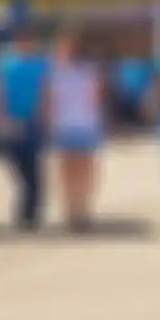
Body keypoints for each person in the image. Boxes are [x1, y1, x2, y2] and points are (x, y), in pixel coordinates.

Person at [0, 27, 51, 230]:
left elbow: (47, 92)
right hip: (11, 120)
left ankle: (29, 212)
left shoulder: (44, 64)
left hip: (33, 121)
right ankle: (28, 206)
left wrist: (45, 119)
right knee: (16, 166)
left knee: (33, 167)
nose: (26, 44)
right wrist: (0, 118)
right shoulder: (5, 62)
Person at [48, 30, 105, 233]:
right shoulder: (59, 73)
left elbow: (95, 98)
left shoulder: (83, 72)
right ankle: (74, 211)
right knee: (73, 172)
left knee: (80, 171)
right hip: (72, 125)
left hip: (80, 125)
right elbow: (51, 101)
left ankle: (80, 211)